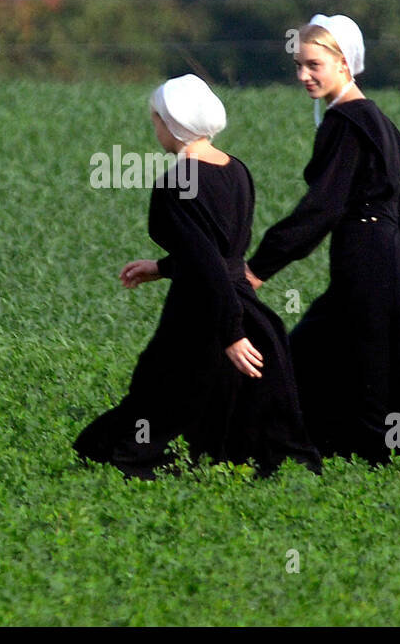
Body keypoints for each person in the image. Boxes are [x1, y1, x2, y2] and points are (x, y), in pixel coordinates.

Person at [74, 74, 322, 480]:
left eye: (155, 120)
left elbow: (206, 264)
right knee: (215, 394)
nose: (154, 129)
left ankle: (139, 461)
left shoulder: (176, 181)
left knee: (155, 395)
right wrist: (160, 268)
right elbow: (217, 252)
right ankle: (220, 465)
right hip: (239, 298)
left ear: (170, 123)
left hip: (200, 310)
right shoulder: (236, 169)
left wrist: (231, 333)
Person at [244, 15, 400, 465]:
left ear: (344, 63)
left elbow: (321, 209)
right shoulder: (376, 120)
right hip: (388, 263)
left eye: (314, 65)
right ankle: (327, 454)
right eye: (299, 66)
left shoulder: (345, 124)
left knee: (341, 360)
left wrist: (258, 269)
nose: (303, 76)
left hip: (369, 263)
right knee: (347, 356)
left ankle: (320, 455)